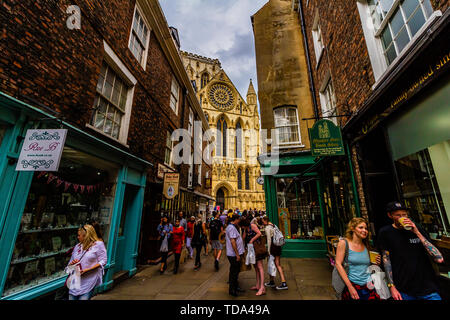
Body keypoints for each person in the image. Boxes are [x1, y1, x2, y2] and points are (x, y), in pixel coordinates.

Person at [377, 201, 444, 300]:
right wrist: (392, 287)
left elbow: (439, 259)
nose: (402, 217)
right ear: (390, 215)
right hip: (404, 289)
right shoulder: (385, 233)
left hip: (427, 288)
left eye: (404, 214)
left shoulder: (418, 229)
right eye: (398, 215)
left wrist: (417, 232)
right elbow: (387, 262)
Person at [335, 217, 381, 300]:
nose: (364, 230)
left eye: (366, 228)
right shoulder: (343, 243)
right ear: (352, 228)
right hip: (352, 284)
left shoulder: (367, 245)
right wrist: (350, 287)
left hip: (369, 285)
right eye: (361, 227)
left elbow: (369, 267)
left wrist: (376, 263)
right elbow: (338, 264)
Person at [67, 224, 107, 300]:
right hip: (75, 283)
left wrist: (87, 270)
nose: (77, 237)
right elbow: (68, 268)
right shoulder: (77, 247)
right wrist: (71, 264)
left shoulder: (98, 245)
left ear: (86, 236)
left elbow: (103, 261)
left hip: (88, 282)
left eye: (79, 235)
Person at [241, 217, 267, 296]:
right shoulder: (246, 229)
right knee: (256, 267)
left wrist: (252, 239)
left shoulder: (252, 226)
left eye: (242, 226)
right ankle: (258, 285)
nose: (241, 227)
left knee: (260, 267)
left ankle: (262, 287)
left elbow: (259, 233)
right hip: (251, 249)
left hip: (257, 248)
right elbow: (244, 237)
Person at [262, 216, 288, 290]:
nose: (262, 223)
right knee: (277, 264)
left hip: (273, 247)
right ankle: (281, 282)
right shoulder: (274, 225)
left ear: (265, 220)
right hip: (277, 246)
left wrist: (269, 251)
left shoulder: (267, 228)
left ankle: (274, 282)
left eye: (263, 221)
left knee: (271, 263)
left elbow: (269, 240)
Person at [226, 214, 245, 297]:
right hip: (233, 254)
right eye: (238, 220)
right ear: (236, 220)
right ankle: (232, 290)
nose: (239, 222)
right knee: (234, 272)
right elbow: (233, 242)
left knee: (235, 271)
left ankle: (235, 287)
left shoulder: (232, 227)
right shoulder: (231, 228)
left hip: (234, 254)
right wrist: (237, 254)